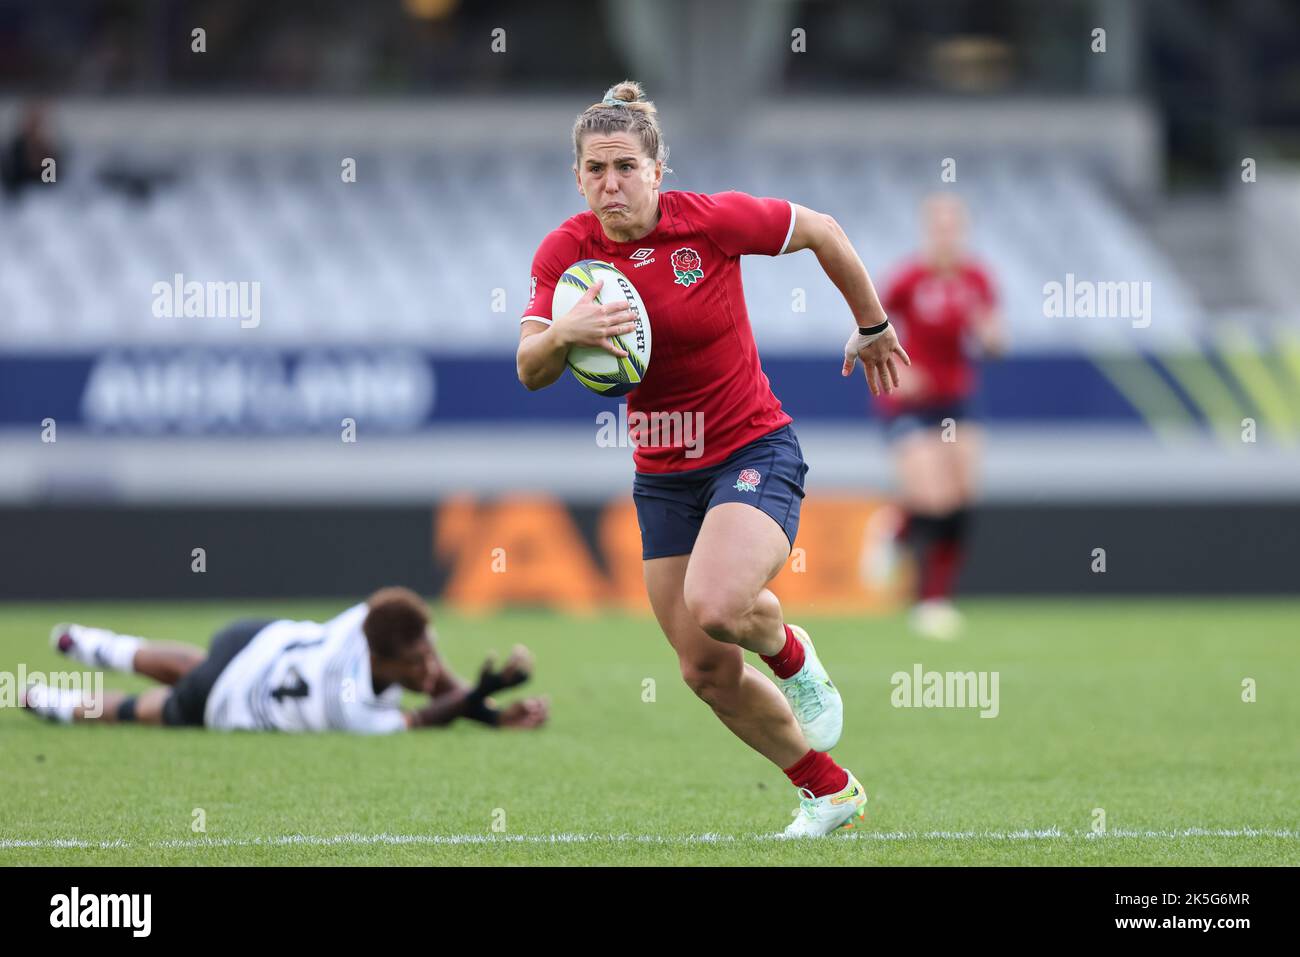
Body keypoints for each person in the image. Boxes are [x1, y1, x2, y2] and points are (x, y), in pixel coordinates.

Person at [515, 80, 909, 837]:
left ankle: (792, 656)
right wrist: (567, 331)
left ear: (659, 169)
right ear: (577, 178)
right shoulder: (567, 254)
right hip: (663, 475)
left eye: (626, 166)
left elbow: (824, 230)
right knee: (703, 667)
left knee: (720, 604)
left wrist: (871, 323)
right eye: (595, 170)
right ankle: (830, 791)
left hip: (752, 447)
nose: (611, 183)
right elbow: (529, 367)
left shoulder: (713, 223)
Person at [23, 586, 548, 732]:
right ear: (386, 662)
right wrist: (482, 695)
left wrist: (493, 712)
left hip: (252, 640)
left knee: (192, 662)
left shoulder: (361, 622)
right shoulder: (351, 709)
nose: (433, 668)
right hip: (230, 699)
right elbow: (427, 716)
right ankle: (54, 702)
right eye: (420, 660)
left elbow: (435, 689)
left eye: (430, 651)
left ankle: (90, 645)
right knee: (142, 710)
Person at [872, 194, 1006, 640]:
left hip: (956, 399)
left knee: (962, 495)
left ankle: (936, 602)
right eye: (940, 226)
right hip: (911, 401)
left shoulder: (977, 278)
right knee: (932, 496)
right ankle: (898, 533)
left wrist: (990, 337)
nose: (947, 235)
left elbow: (994, 340)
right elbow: (870, 328)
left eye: (954, 226)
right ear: (929, 230)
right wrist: (900, 372)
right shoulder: (908, 280)